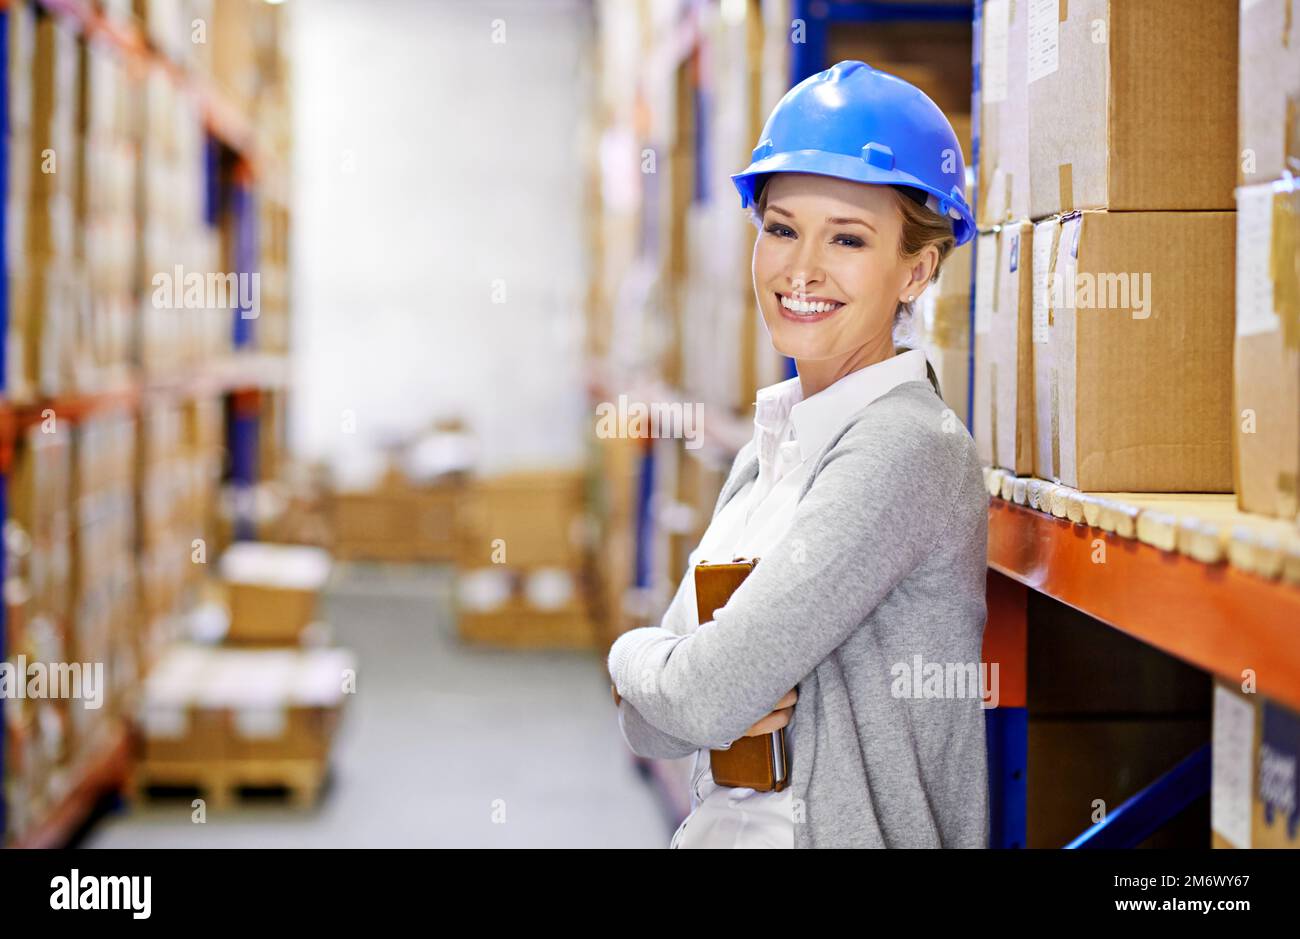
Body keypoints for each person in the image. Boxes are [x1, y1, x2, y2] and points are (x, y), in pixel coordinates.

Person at [607, 60, 988, 848]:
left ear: (917, 269)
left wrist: (630, 651)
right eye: (781, 228)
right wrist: (668, 676)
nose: (800, 269)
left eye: (848, 238)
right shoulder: (767, 450)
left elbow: (701, 699)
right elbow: (652, 729)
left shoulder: (908, 448)